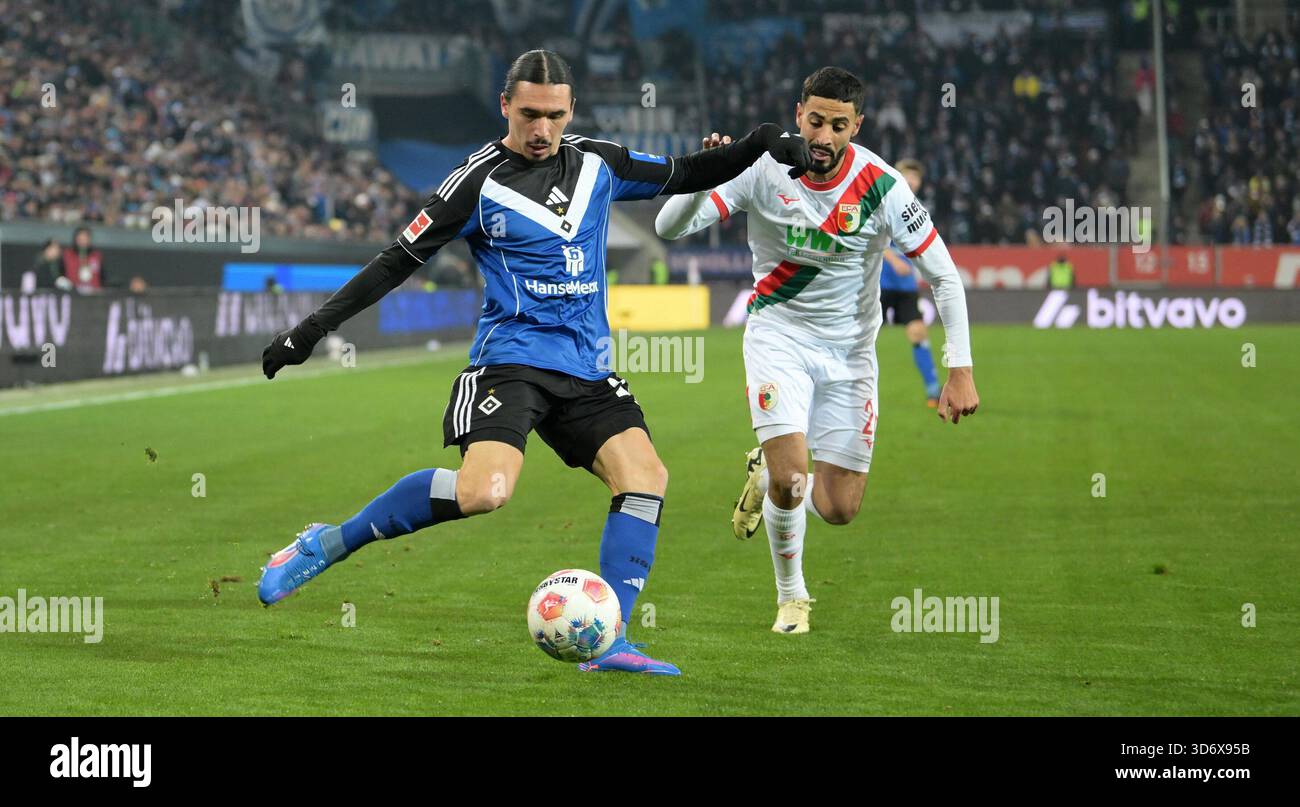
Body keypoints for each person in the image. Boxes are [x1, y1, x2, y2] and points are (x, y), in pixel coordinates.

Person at [256, 50, 811, 675]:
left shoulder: (601, 162)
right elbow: (393, 262)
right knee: (485, 492)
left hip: (587, 366)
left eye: (553, 114)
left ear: (571, 110)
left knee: (646, 478)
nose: (541, 129)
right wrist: (309, 331)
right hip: (511, 362)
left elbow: (687, 171)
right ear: (504, 108)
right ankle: (327, 541)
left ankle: (609, 639)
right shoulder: (474, 183)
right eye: (528, 115)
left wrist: (761, 144)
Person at [656, 67, 978, 635]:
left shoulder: (882, 185)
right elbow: (668, 227)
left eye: (837, 125)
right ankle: (793, 597)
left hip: (852, 355)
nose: (823, 137)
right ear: (798, 112)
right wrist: (703, 175)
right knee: (793, 479)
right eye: (814, 121)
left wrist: (960, 369)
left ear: (857, 125)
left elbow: (945, 276)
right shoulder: (759, 168)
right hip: (778, 338)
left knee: (839, 508)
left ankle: (767, 479)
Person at [880, 158, 942, 407]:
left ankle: (933, 390)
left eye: (915, 177)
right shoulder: (883, 202)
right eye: (907, 175)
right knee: (862, 337)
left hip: (906, 287)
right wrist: (893, 260)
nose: (911, 181)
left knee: (917, 332)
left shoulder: (919, 210)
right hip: (879, 283)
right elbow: (873, 238)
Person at [62, 227, 105, 292]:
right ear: (75, 240)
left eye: (85, 239)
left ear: (90, 239)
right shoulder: (67, 255)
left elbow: (103, 276)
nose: (82, 241)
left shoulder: (97, 256)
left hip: (94, 294)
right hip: (73, 294)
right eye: (80, 239)